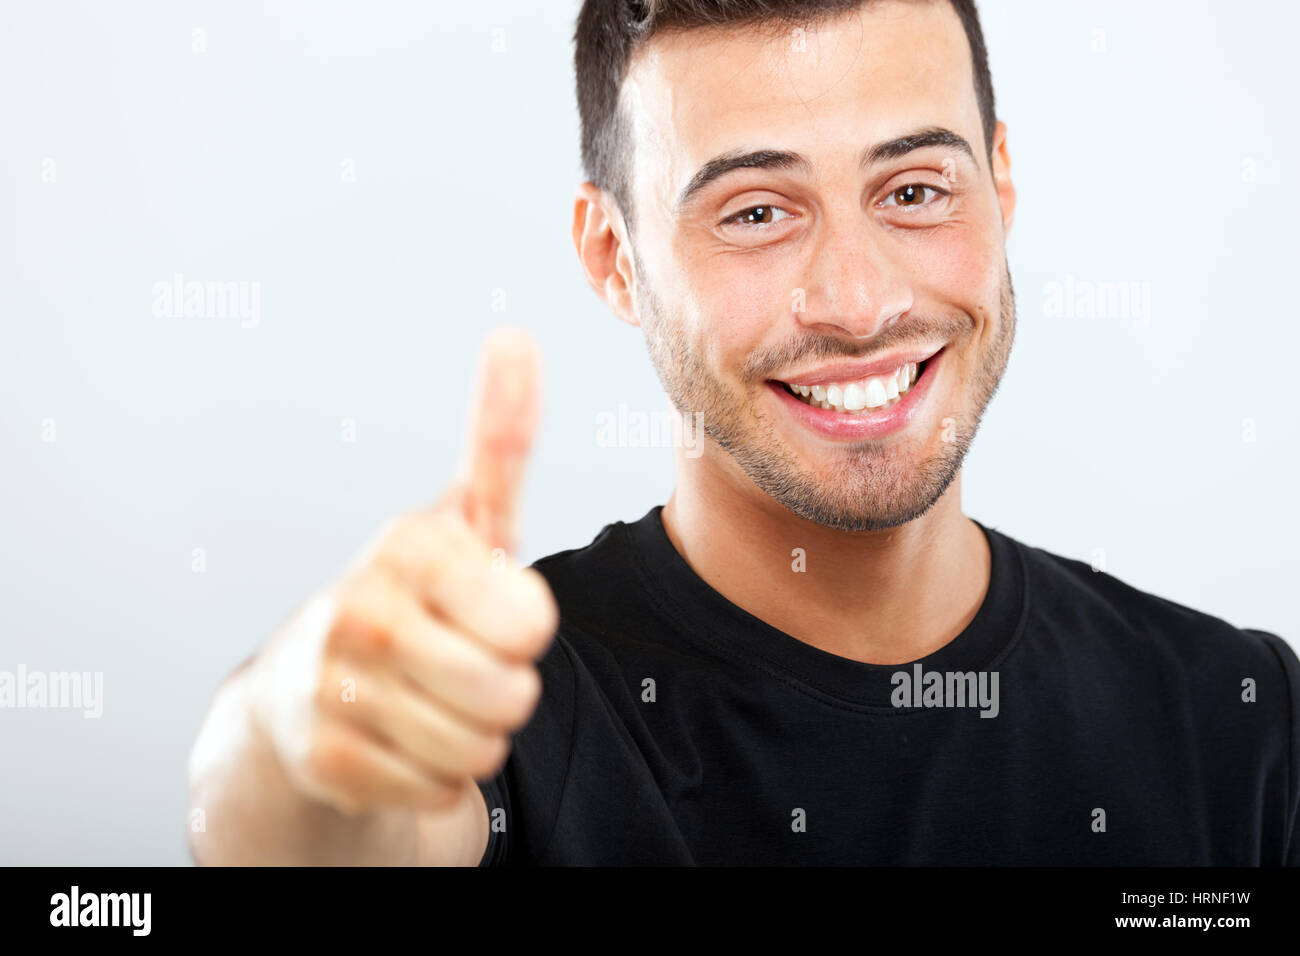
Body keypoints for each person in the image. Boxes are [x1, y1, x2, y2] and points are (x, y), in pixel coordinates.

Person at [187, 0, 1299, 865]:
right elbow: (300, 835)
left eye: (914, 189)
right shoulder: (507, 710)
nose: (859, 303)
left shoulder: (1236, 715)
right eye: (756, 213)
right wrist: (296, 725)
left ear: (1000, 184)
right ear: (614, 258)